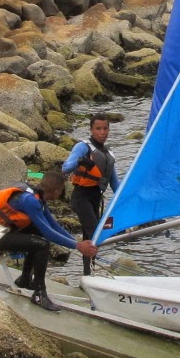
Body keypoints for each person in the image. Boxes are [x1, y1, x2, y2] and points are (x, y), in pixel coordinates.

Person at [0, 169, 94, 312]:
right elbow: (48, 232)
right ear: (55, 191)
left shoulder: (38, 197)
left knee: (38, 237)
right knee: (42, 244)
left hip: (2, 229)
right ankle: (39, 294)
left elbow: (53, 225)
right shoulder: (30, 200)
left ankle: (25, 279)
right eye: (61, 190)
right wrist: (78, 246)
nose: (61, 193)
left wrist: (78, 244)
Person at [62, 113, 119, 280]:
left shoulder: (109, 154)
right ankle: (90, 275)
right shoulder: (83, 147)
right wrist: (80, 162)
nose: (102, 132)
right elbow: (65, 168)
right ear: (91, 130)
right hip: (81, 197)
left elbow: (115, 184)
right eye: (98, 128)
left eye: (105, 128)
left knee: (90, 237)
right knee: (94, 234)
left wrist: (130, 197)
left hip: (95, 198)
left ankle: (88, 275)